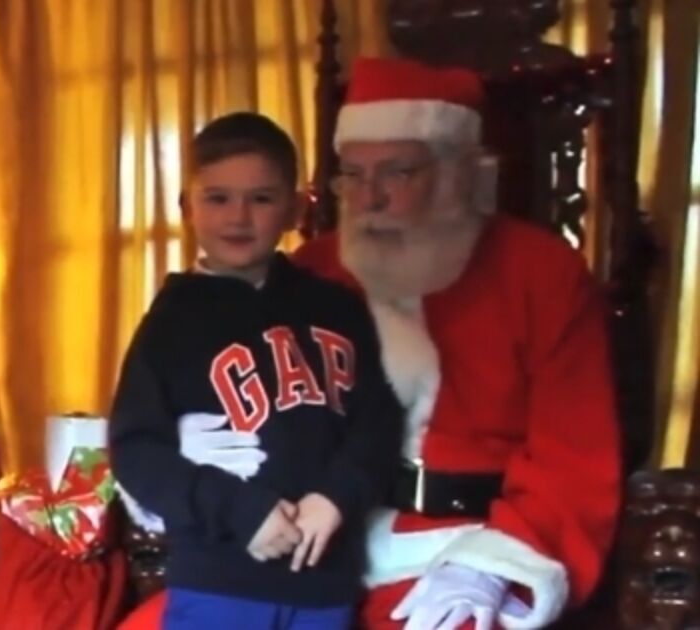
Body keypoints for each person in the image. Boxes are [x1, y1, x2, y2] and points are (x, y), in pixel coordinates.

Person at [119, 58, 623, 630]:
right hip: (305, 545)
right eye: (353, 175)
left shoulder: (542, 273)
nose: (369, 197)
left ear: (458, 175)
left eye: (396, 173)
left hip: (464, 548)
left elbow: (576, 459)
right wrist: (186, 445)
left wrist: (494, 566)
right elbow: (210, 400)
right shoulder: (310, 271)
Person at [109, 112, 404, 630]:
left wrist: (336, 498)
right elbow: (136, 451)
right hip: (217, 578)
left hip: (324, 580)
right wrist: (241, 511)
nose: (238, 216)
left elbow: (376, 422)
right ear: (187, 207)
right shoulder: (171, 321)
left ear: (294, 208)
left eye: (261, 198)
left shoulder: (337, 306)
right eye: (218, 198)